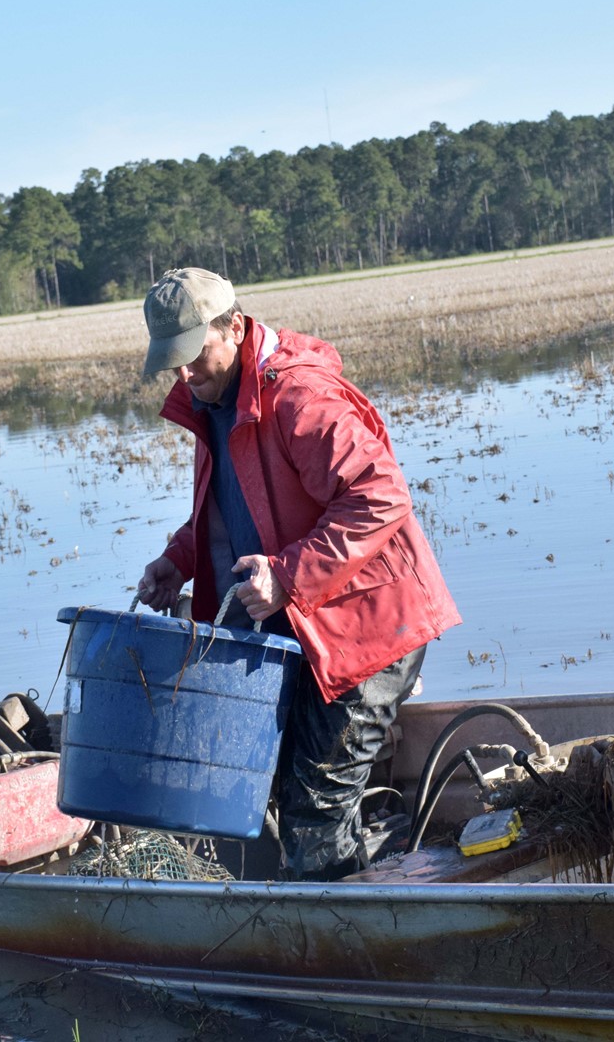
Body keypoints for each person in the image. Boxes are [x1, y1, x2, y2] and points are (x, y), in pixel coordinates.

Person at [134, 267, 461, 881]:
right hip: (308, 628)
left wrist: (288, 575)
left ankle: (350, 954)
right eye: (171, 362)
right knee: (278, 786)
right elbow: (242, 512)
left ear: (234, 326)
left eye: (193, 356)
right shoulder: (214, 400)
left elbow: (381, 495)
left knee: (314, 808)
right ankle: (345, 897)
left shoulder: (298, 397)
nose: (183, 375)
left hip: (367, 630)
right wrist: (177, 562)